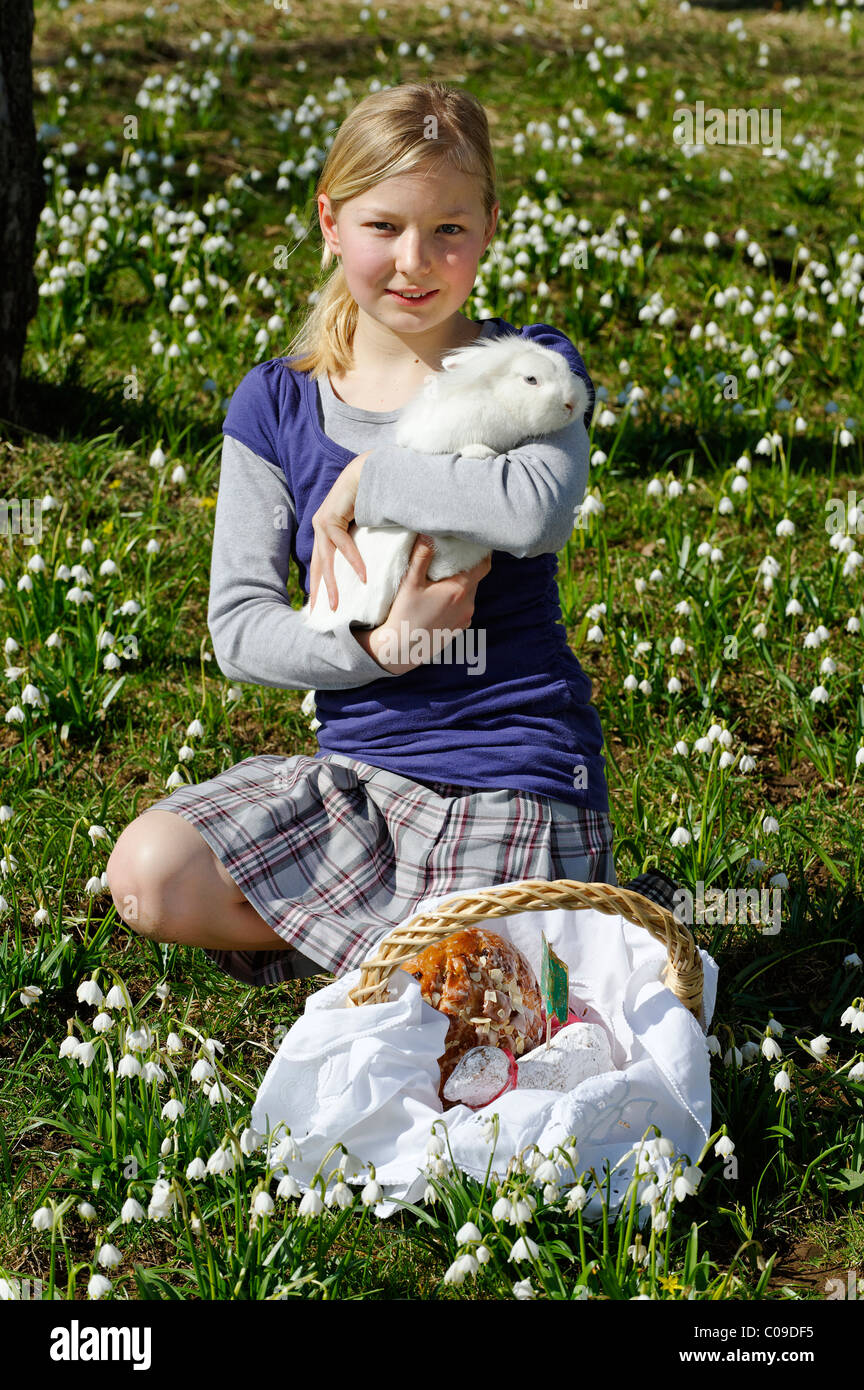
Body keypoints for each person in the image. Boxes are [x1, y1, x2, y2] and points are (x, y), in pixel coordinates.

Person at [106, 80, 627, 990]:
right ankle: (404, 951)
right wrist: (380, 647)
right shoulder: (275, 403)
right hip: (359, 779)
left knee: (461, 1006)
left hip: (514, 768)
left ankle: (406, 955)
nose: (414, 261)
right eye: (383, 227)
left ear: (490, 228)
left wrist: (375, 474)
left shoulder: (524, 368)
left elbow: (537, 511)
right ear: (331, 222)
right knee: (150, 878)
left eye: (449, 230)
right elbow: (238, 626)